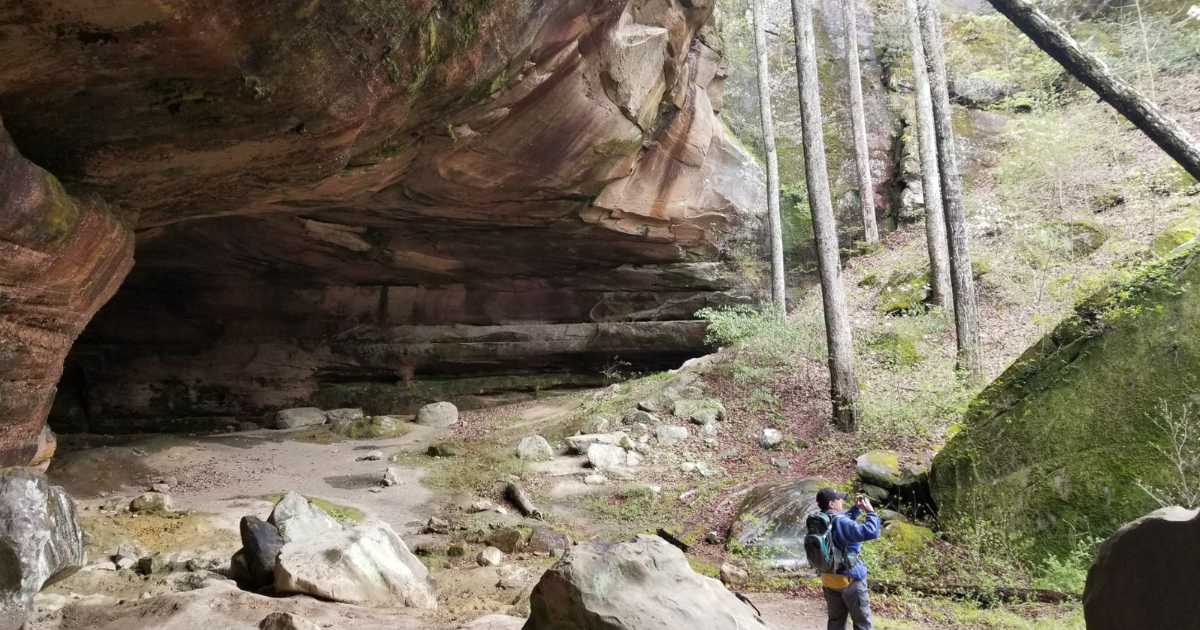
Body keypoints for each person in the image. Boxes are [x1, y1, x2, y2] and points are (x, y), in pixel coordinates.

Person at [816, 486, 881, 630]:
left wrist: (855, 510)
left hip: (828, 579)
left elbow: (841, 522)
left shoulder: (819, 520)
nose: (841, 501)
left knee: (836, 622)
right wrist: (870, 512)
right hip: (849, 579)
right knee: (862, 623)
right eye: (838, 498)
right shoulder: (840, 521)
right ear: (832, 504)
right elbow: (871, 531)